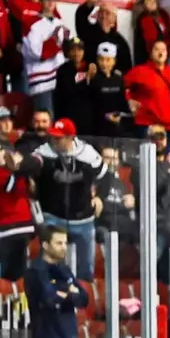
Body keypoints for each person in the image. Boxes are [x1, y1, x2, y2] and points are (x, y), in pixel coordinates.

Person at [23, 226, 89, 338]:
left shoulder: (65, 270)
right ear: (45, 245)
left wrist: (66, 295)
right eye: (59, 243)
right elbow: (49, 299)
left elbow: (84, 298)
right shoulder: (36, 271)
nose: (64, 247)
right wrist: (69, 294)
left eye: (65, 243)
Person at [34, 119, 106, 281]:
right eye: (52, 136)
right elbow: (32, 165)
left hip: (83, 219)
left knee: (86, 270)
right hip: (54, 216)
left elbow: (103, 176)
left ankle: (82, 300)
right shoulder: (45, 151)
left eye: (58, 138)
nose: (54, 140)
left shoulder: (87, 153)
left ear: (70, 138)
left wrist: (98, 196)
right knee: (49, 265)